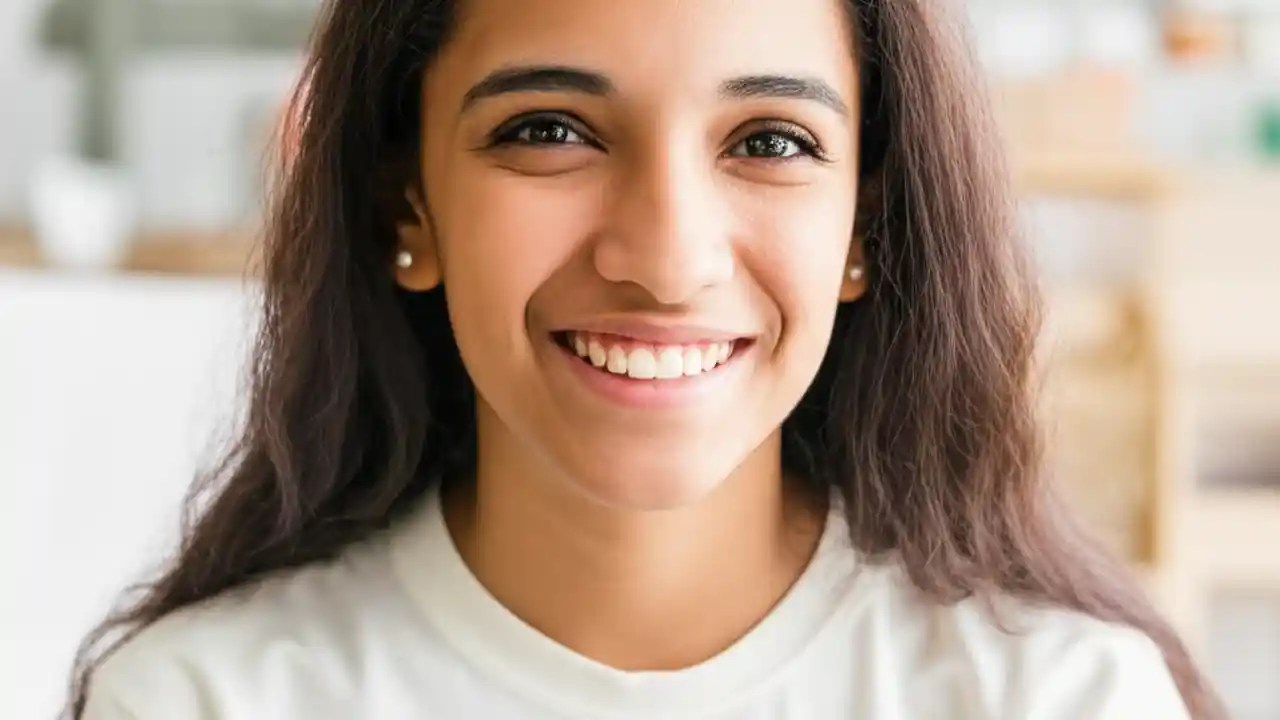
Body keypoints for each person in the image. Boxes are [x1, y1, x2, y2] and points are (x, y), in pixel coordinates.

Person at [68, 0, 1225, 718]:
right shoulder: (200, 704)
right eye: (549, 131)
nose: (666, 260)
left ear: (863, 233)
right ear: (404, 204)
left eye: (770, 142)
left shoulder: (1062, 702)